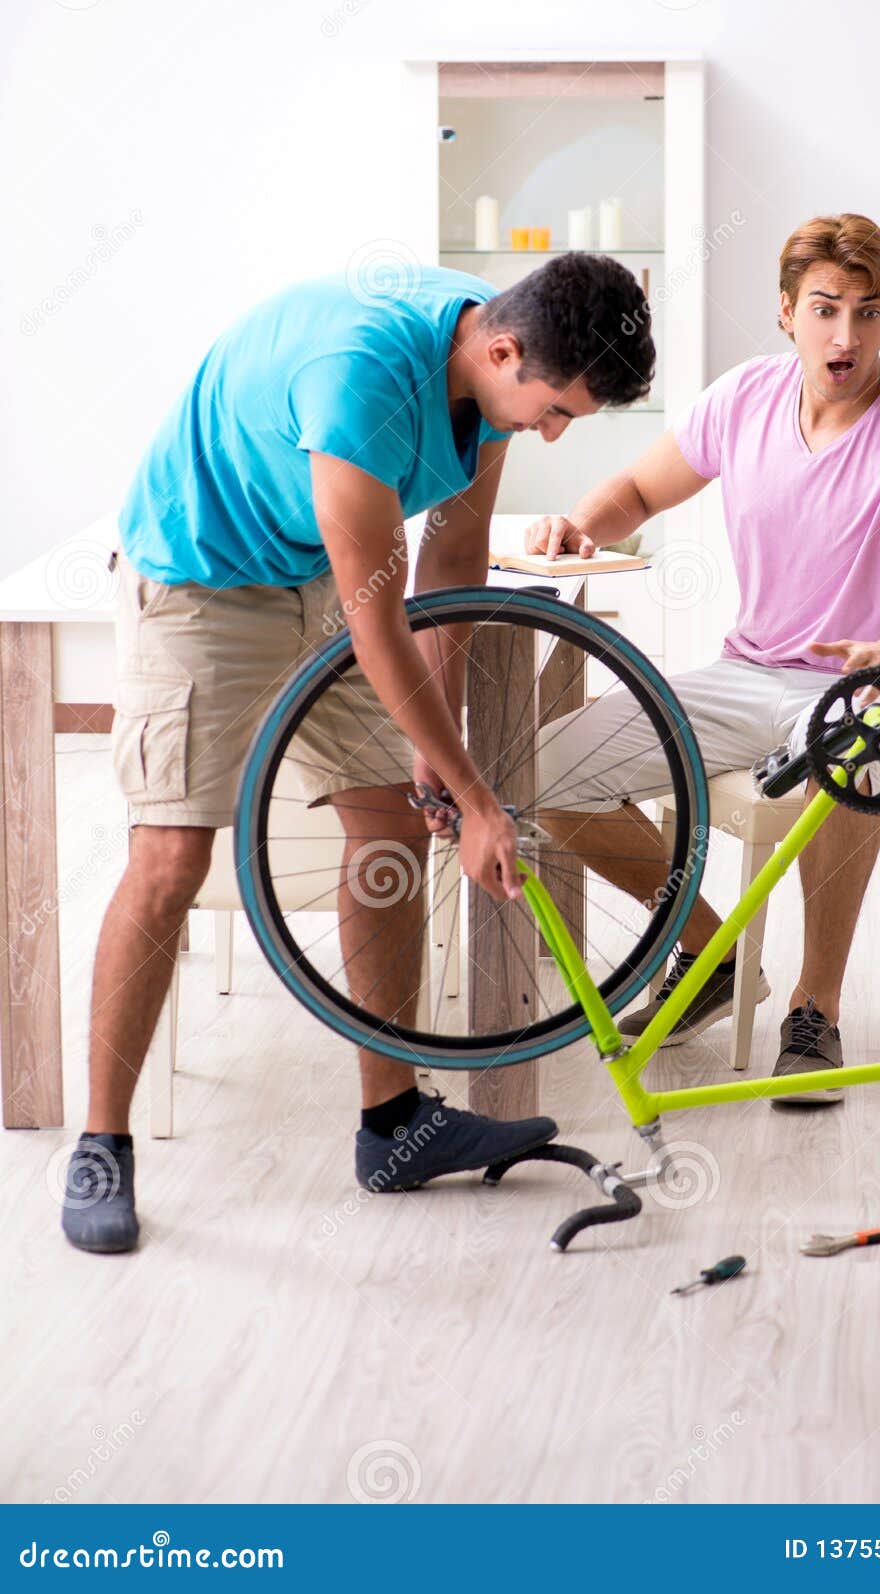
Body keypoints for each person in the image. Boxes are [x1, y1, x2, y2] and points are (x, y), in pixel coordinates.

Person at [62, 253, 656, 1252]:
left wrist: (444, 748)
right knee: (170, 857)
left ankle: (395, 1126)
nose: (551, 431)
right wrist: (473, 795)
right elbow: (379, 623)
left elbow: (452, 562)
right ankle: (99, 1143)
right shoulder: (362, 374)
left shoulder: (491, 372)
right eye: (553, 408)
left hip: (316, 576)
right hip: (202, 573)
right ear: (506, 349)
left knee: (385, 822)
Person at [527, 214, 880, 1102]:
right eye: (825, 309)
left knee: (847, 745)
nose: (844, 335)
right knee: (546, 767)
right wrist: (579, 525)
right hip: (749, 674)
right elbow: (633, 489)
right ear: (787, 313)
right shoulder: (744, 399)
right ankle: (712, 954)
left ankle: (815, 1010)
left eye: (867, 311)